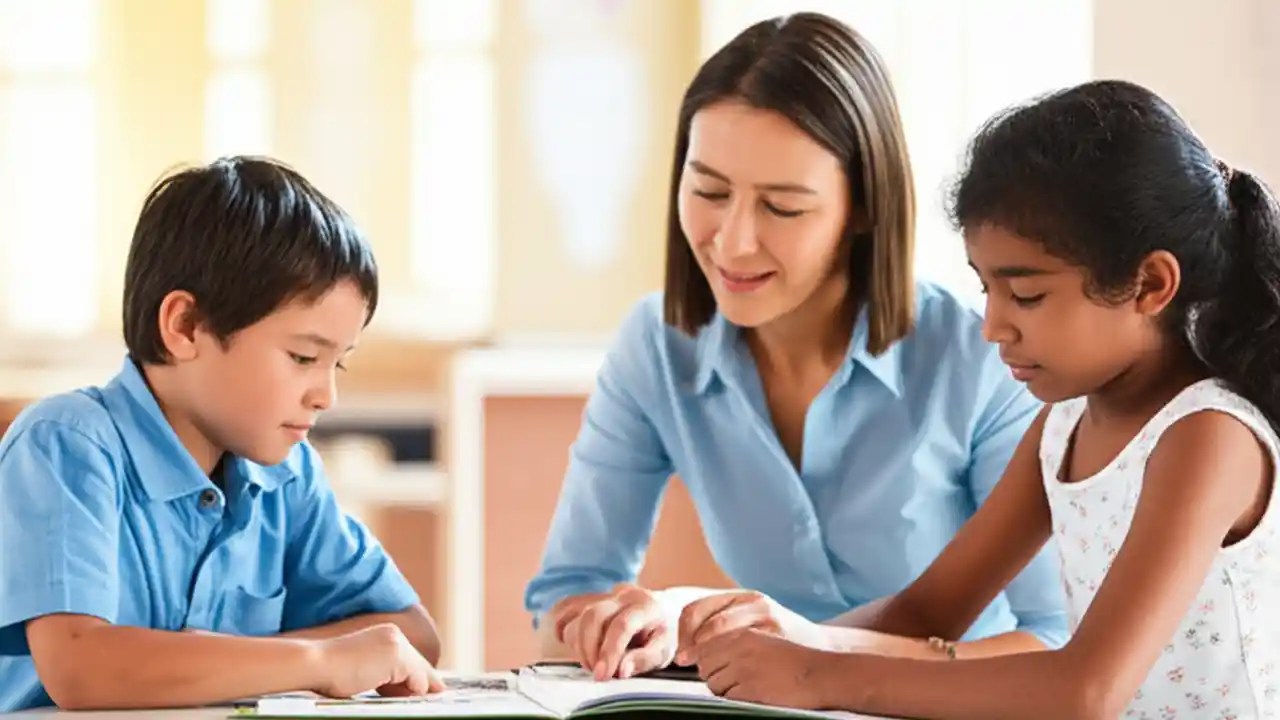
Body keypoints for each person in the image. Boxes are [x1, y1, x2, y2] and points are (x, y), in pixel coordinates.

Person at [685, 79, 1280, 719]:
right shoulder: (1064, 425)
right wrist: (765, 644)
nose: (993, 327)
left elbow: (1084, 692)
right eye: (985, 289)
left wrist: (821, 675)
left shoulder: (1206, 437)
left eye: (1025, 295)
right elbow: (925, 613)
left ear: (1149, 283)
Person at [525, 12, 1067, 682]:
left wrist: (800, 646)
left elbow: (1057, 643)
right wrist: (639, 626)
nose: (733, 241)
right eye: (709, 192)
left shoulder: (981, 357)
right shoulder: (658, 347)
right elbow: (564, 599)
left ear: (863, 207)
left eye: (782, 207)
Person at [0, 157, 444, 712]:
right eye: (303, 356)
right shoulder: (66, 444)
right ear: (185, 326)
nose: (326, 395)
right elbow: (83, 668)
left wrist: (237, 663)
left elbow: (408, 635)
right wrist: (317, 662)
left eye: (339, 363)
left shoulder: (286, 474)